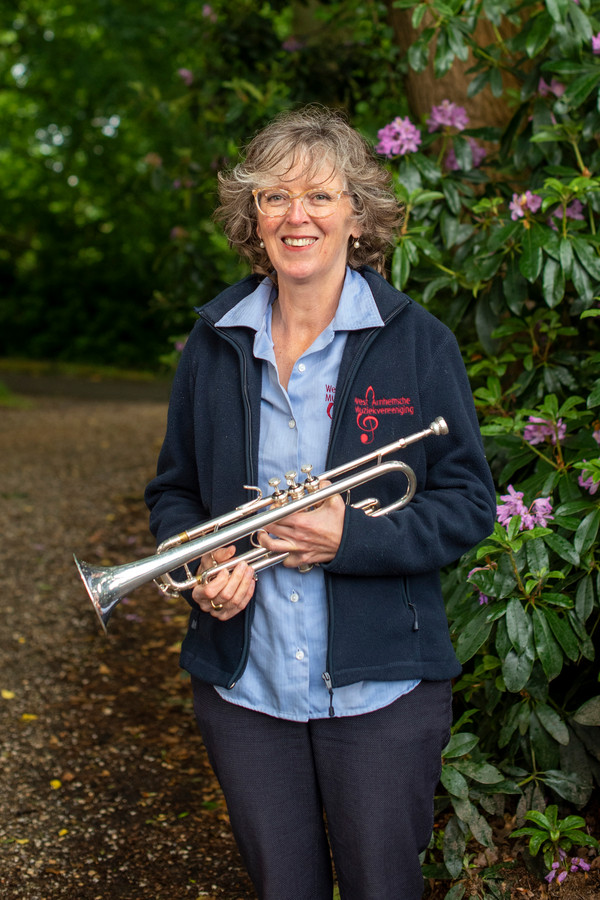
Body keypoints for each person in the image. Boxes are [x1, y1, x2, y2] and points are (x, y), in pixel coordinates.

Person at [144, 105, 496, 900]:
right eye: (274, 197)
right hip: (246, 689)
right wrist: (207, 554)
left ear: (357, 216)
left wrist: (352, 540)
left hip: (383, 691)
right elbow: (174, 490)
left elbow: (469, 500)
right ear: (253, 218)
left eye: (320, 197)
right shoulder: (213, 342)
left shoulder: (418, 342)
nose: (295, 216)